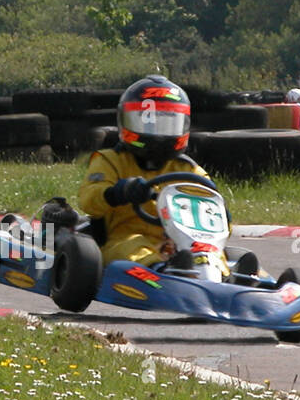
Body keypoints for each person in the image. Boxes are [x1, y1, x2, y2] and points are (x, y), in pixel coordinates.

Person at [77, 75, 212, 271]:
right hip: (120, 239)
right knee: (133, 245)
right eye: (149, 122)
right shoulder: (110, 160)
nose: (158, 133)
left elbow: (213, 213)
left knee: (207, 251)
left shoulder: (188, 170)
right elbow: (88, 200)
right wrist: (117, 192)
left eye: (166, 124)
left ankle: (231, 275)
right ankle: (160, 269)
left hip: (176, 247)